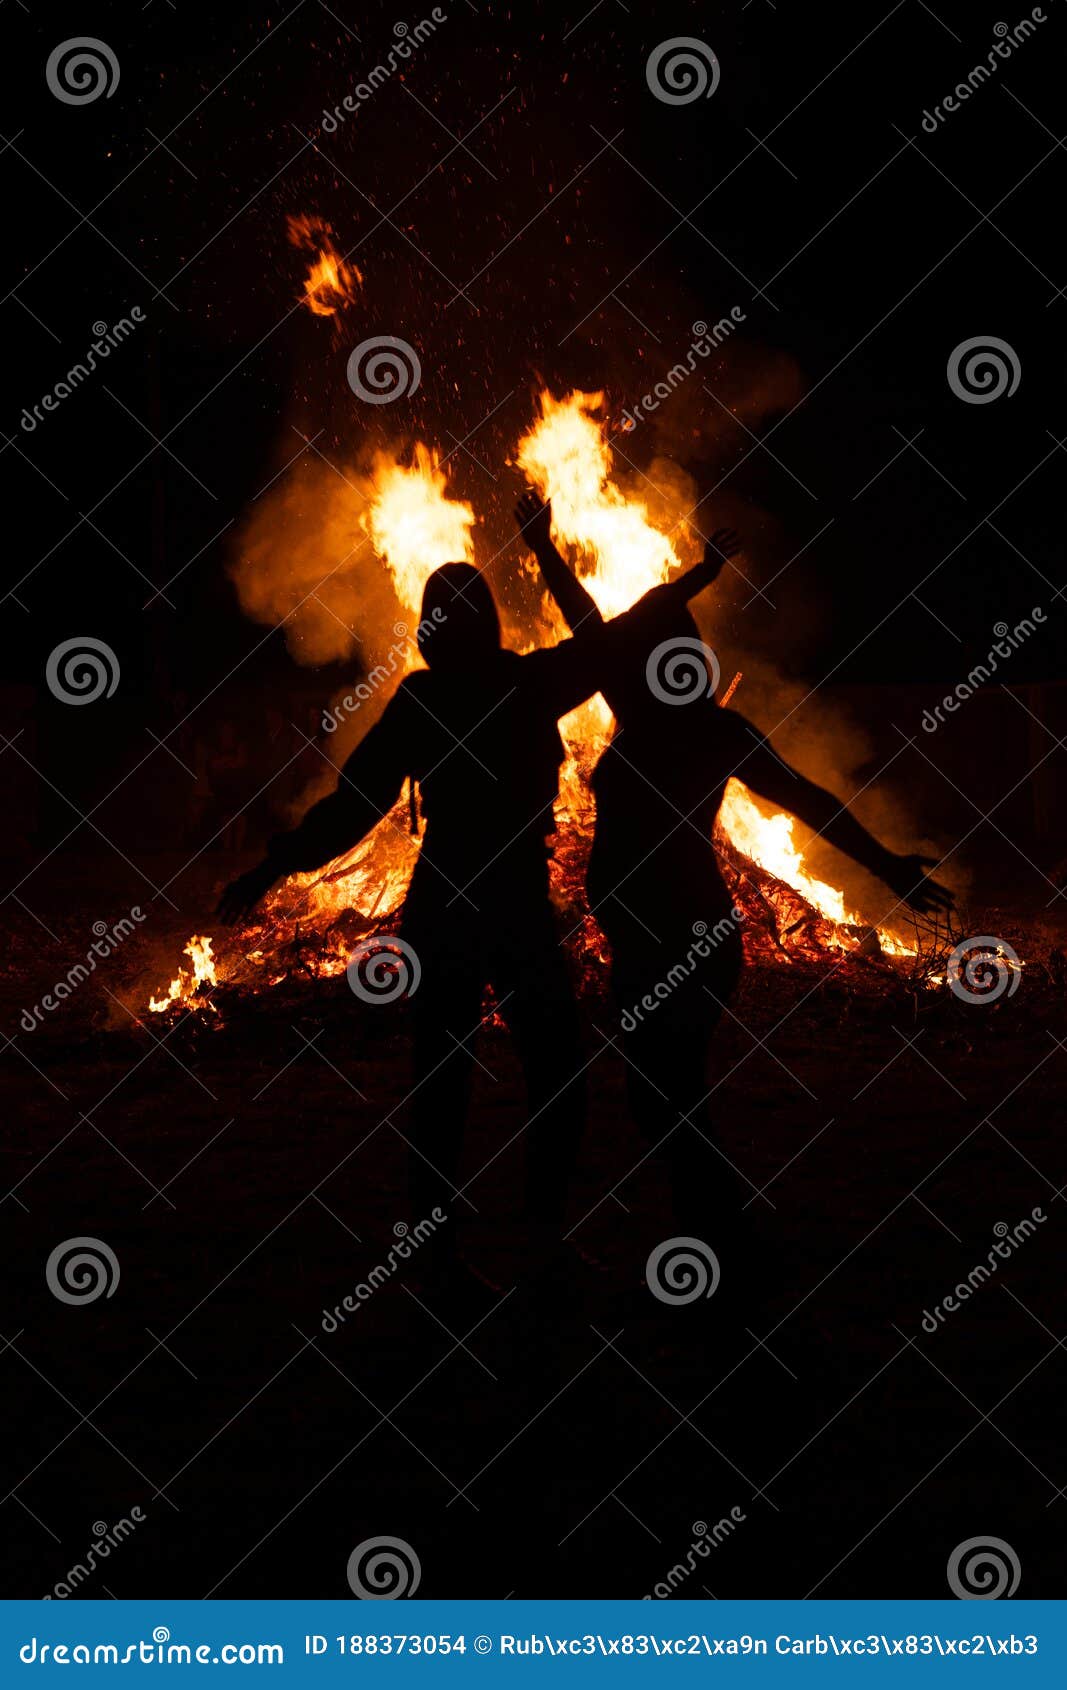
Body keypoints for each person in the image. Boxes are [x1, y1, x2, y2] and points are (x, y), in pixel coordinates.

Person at [218, 554, 720, 1304]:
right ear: (486, 623)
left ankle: (454, 1255)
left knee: (450, 1082)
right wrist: (687, 584)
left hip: (451, 900)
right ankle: (523, 1243)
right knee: (549, 1075)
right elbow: (614, 637)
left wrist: (272, 867)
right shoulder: (525, 684)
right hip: (503, 898)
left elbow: (353, 803)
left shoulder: (426, 700)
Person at [514, 490, 954, 1275]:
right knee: (664, 1096)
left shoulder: (689, 728)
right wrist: (690, 576)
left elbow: (808, 800)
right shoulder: (693, 724)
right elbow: (596, 625)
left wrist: (887, 865)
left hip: (679, 941)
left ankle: (724, 1242)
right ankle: (714, 1234)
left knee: (664, 1095)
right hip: (662, 939)